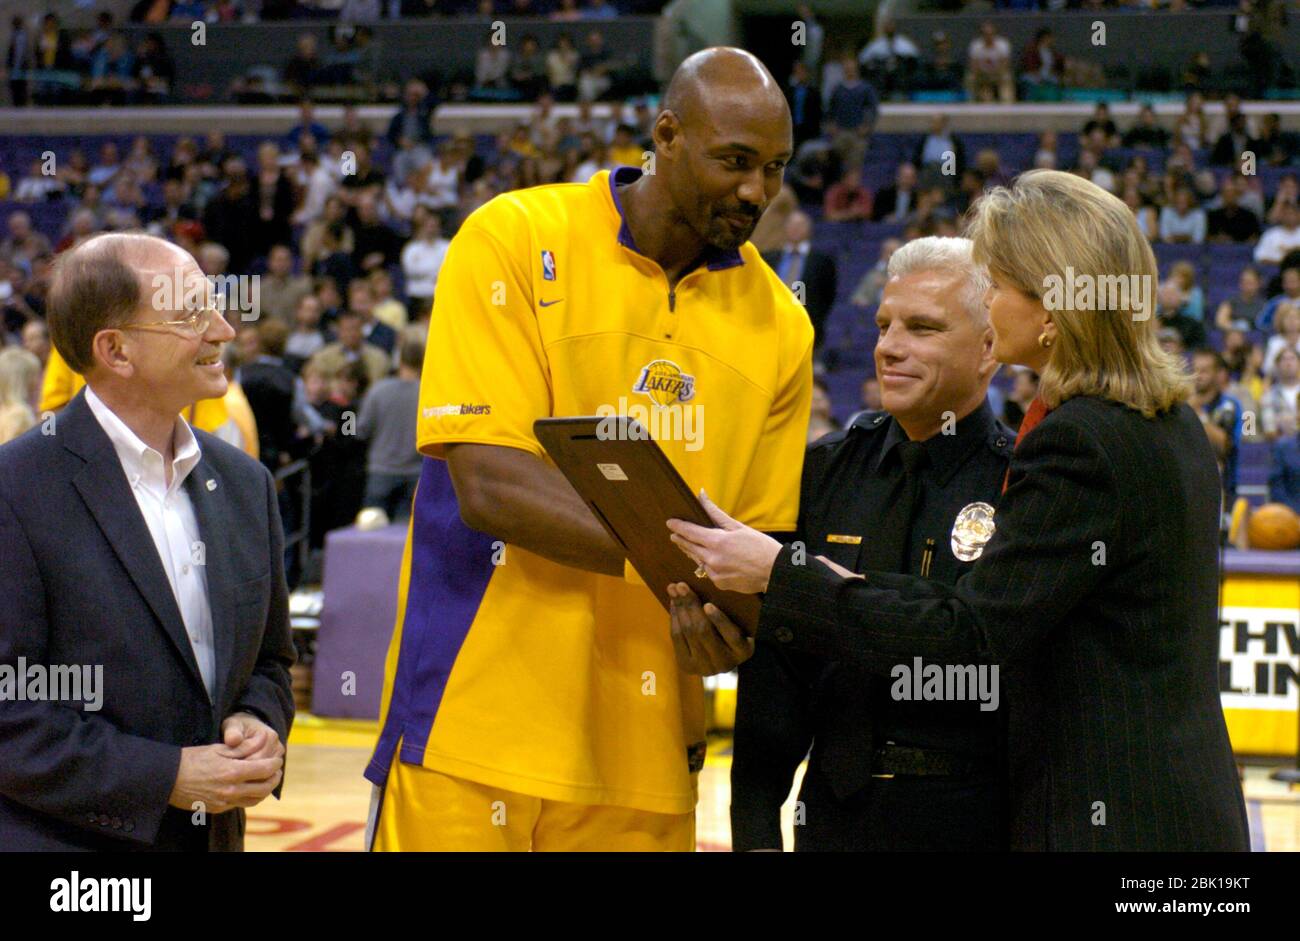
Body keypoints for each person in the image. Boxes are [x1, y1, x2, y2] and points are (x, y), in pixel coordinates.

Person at [666, 170, 1250, 851]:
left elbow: (971, 631)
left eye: (998, 284)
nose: (990, 300)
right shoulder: (1171, 423)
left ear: (1054, 304)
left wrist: (782, 574)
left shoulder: (1078, 440)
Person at [365, 47, 812, 852]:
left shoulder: (783, 327)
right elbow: (490, 485)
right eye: (735, 162)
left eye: (776, 168)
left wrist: (736, 624)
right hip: (470, 730)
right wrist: (690, 566)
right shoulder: (510, 237)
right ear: (666, 135)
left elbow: (757, 549)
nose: (757, 191)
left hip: (646, 757)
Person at [0, 233, 294, 850]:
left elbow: (270, 662)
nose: (223, 329)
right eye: (192, 313)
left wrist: (259, 722)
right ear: (116, 350)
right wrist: (165, 777)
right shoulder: (16, 489)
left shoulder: (245, 483)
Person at [732, 237, 1014, 851]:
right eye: (885, 325)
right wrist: (755, 833)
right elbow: (778, 673)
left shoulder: (1024, 481)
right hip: (834, 819)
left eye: (922, 328)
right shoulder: (827, 470)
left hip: (976, 824)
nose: (889, 347)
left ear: (990, 347)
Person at [356, 328, 424, 523]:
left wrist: (347, 416)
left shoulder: (379, 390)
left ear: (399, 361)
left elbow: (360, 429)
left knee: (371, 532)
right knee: (405, 537)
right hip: (415, 472)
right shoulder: (427, 394)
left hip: (381, 470)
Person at [762, 210, 836, 353]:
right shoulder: (769, 258)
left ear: (809, 229)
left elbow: (828, 295)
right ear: (785, 228)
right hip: (772, 325)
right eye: (792, 224)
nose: (795, 229)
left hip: (807, 326)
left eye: (800, 225)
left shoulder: (822, 261)